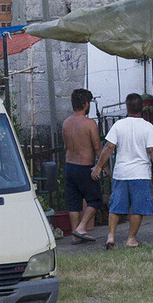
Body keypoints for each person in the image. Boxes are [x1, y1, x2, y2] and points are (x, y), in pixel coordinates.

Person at [95, 91, 153, 247]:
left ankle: (111, 237)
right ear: (142, 108)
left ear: (127, 109)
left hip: (121, 173)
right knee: (137, 208)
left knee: (115, 207)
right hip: (140, 174)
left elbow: (108, 147)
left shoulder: (118, 125)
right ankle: (131, 239)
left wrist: (99, 166)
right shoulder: (148, 127)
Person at [60, 88, 106, 245]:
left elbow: (66, 146)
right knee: (96, 200)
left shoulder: (66, 123)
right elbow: (97, 147)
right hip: (85, 167)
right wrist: (104, 166)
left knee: (74, 202)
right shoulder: (89, 123)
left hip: (69, 166)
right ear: (86, 104)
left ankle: (75, 235)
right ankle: (81, 228)